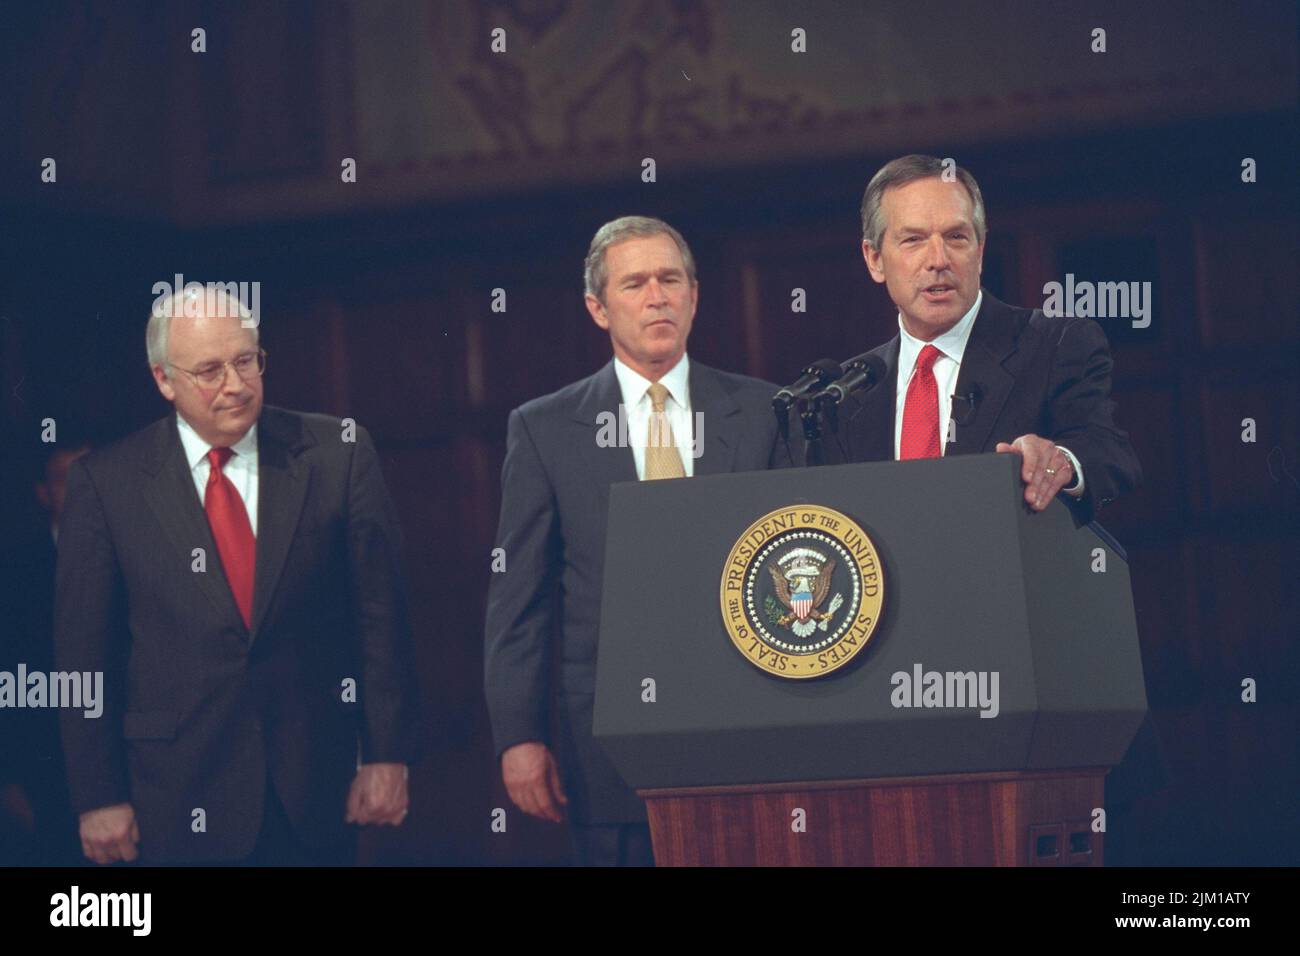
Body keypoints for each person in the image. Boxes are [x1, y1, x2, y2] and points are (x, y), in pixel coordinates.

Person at [54, 286, 420, 865]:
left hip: (313, 788)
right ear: (163, 380)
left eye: (246, 360)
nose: (236, 384)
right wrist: (98, 795)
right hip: (173, 798)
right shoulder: (107, 484)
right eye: (209, 369)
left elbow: (381, 617)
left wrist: (385, 753)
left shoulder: (336, 453)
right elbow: (82, 656)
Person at [484, 216, 785, 865]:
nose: (657, 297)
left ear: (695, 294)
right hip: (610, 747)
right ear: (598, 307)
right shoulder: (545, 429)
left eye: (670, 279)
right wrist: (520, 736)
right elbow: (520, 600)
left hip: (752, 730)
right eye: (636, 283)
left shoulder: (764, 412)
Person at [826, 154, 1141, 520]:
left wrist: (1061, 461)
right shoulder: (846, 390)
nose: (938, 259)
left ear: (980, 249)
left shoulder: (1055, 344)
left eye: (956, 237)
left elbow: (1110, 452)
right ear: (875, 259)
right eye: (913, 240)